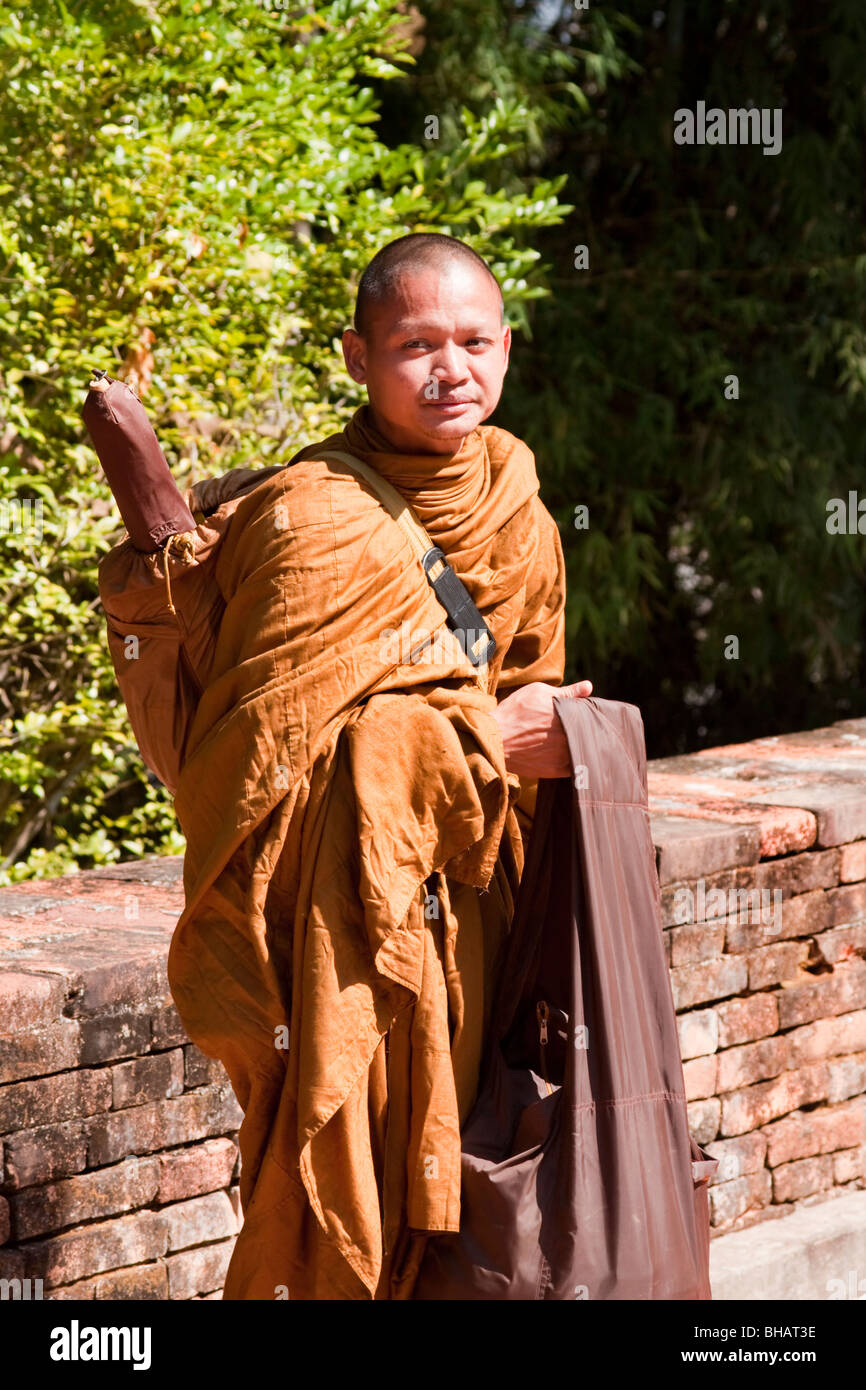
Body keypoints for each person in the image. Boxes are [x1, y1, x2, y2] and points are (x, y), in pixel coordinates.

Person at [96, 232, 592, 1299]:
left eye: (472, 341)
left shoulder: (522, 514)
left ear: (508, 348)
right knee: (331, 1182)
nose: (449, 368)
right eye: (415, 343)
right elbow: (246, 769)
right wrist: (477, 744)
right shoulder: (303, 518)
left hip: (474, 921)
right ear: (357, 357)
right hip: (329, 936)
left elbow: (530, 695)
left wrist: (545, 738)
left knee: (461, 1187)